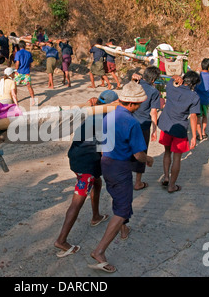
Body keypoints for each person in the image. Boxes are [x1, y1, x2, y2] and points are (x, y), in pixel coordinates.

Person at [89, 82, 154, 273]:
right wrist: (148, 159)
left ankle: (123, 230)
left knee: (120, 197)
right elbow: (138, 155)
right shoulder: (132, 123)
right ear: (134, 104)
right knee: (123, 209)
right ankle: (99, 251)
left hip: (106, 163)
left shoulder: (109, 116)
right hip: (120, 167)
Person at [54, 90, 119, 258]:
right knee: (77, 202)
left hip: (76, 157)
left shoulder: (90, 113)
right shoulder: (106, 122)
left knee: (97, 183)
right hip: (86, 165)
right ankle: (61, 240)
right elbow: (105, 152)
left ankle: (96, 216)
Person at [157, 71, 201, 193]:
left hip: (166, 126)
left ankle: (166, 177)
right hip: (180, 129)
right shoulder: (194, 97)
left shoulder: (171, 87)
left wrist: (175, 77)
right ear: (194, 84)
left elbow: (171, 78)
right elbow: (193, 116)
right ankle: (172, 186)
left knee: (166, 152)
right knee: (177, 158)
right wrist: (193, 135)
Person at [130, 66, 161, 191]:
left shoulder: (136, 85)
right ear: (153, 80)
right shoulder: (154, 92)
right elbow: (153, 112)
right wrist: (154, 129)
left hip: (130, 122)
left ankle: (126, 178)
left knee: (128, 149)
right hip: (143, 125)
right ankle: (138, 182)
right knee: (142, 152)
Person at [195, 58, 209, 140]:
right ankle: (203, 133)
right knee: (205, 116)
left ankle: (199, 135)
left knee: (198, 117)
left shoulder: (197, 77)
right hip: (206, 100)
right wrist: (208, 97)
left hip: (197, 101)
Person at [14, 40, 35, 105]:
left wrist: (15, 69)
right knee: (29, 86)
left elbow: (17, 62)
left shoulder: (18, 53)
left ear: (19, 46)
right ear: (25, 46)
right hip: (26, 72)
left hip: (19, 72)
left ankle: (15, 100)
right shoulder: (28, 53)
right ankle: (33, 99)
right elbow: (30, 64)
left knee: (15, 86)